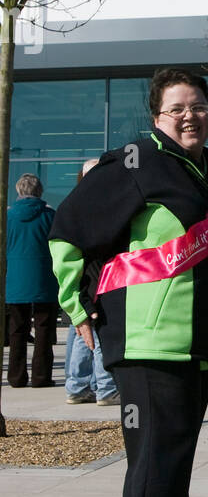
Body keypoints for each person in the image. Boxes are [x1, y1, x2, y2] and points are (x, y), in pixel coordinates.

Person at [50, 69, 208, 497]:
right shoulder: (134, 163)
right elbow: (68, 231)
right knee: (154, 463)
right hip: (146, 343)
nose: (191, 116)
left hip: (195, 344)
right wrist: (76, 306)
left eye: (201, 106)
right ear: (157, 116)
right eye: (177, 108)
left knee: (173, 461)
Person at [64, 159, 119, 407]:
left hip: (82, 278)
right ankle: (105, 388)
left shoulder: (73, 206)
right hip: (97, 278)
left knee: (80, 334)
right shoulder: (102, 206)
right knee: (97, 335)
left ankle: (77, 385)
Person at [5, 174, 58, 388]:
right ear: (40, 191)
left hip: (15, 280)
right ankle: (41, 376)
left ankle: (16, 377)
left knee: (17, 329)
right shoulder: (50, 216)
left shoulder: (7, 217)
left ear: (18, 191)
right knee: (44, 329)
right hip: (44, 278)